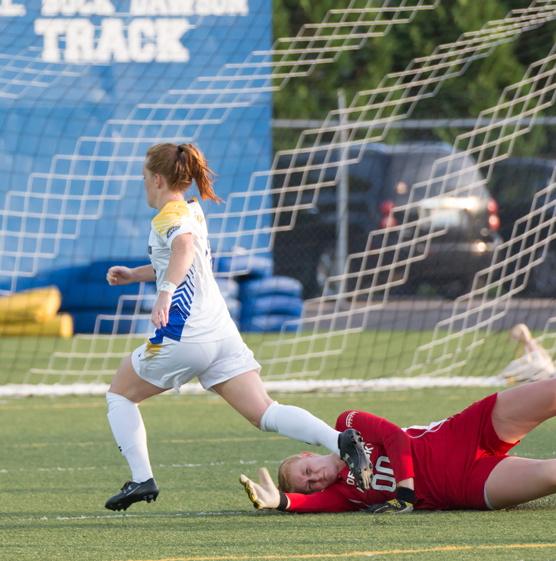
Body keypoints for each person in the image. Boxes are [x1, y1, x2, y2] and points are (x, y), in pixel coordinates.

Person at [102, 142, 371, 511]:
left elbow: (181, 248)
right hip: (221, 333)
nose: (144, 185)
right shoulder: (193, 211)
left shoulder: (168, 217)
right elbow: (182, 259)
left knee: (119, 394)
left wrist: (164, 294)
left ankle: (142, 478)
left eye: (145, 178)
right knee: (265, 412)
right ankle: (339, 440)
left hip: (186, 334)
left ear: (159, 179)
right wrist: (135, 274)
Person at [238, 376, 556, 514]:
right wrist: (281, 499)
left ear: (306, 455)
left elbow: (396, 436)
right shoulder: (347, 492)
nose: (315, 478)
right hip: (467, 486)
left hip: (465, 431)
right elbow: (308, 503)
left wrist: (403, 488)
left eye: (305, 472)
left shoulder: (346, 425)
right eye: (307, 482)